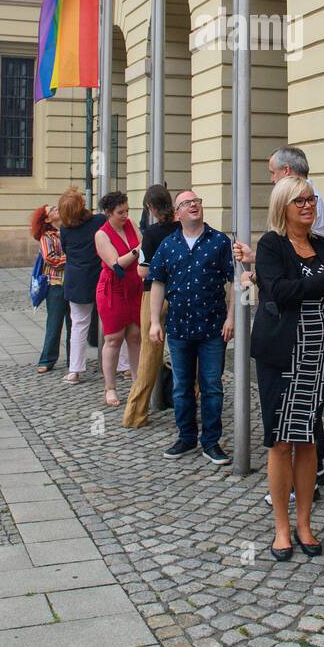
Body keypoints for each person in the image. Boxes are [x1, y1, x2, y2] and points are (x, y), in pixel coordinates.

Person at [253, 177, 324, 562]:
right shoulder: (272, 245)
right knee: (280, 440)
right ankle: (281, 529)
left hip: (315, 358)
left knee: (307, 439)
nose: (307, 205)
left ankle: (305, 524)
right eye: (298, 200)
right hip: (281, 357)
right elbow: (277, 291)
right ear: (283, 207)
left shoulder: (322, 245)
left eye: (311, 199)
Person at [148, 190, 234, 465]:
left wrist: (232, 317)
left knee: (212, 386)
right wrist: (153, 322)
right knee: (181, 387)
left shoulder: (219, 242)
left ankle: (211, 442)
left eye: (197, 201)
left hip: (212, 329)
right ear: (177, 213)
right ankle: (186, 437)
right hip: (178, 328)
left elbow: (235, 281)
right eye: (186, 203)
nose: (194, 205)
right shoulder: (168, 244)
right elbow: (158, 283)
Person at [123, 185, 180, 429]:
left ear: (150, 208)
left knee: (149, 355)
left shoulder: (152, 234)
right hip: (180, 293)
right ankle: (189, 400)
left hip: (153, 295)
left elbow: (142, 271)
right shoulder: (181, 229)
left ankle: (135, 414)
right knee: (186, 351)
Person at [94, 191, 142, 407]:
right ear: (108, 213)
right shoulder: (101, 234)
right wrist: (137, 251)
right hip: (112, 289)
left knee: (135, 335)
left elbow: (144, 249)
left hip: (134, 287)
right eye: (120, 212)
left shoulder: (131, 224)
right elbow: (116, 264)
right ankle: (110, 388)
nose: (125, 215)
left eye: (127, 211)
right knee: (113, 338)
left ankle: (137, 383)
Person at [58, 187, 106, 384]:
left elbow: (65, 251)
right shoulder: (99, 222)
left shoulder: (64, 229)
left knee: (78, 326)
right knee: (113, 323)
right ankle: (124, 365)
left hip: (76, 281)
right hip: (100, 278)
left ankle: (75, 370)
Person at [31, 204, 71, 373]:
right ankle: (47, 359)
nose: (57, 210)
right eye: (53, 210)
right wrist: (71, 258)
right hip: (56, 285)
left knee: (73, 324)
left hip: (71, 282)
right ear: (47, 219)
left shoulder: (67, 230)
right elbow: (50, 259)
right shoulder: (46, 237)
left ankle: (74, 360)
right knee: (54, 324)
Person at [268, 147, 324, 237]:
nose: (271, 179)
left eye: (273, 173)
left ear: (286, 170)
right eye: (299, 201)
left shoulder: (308, 196)